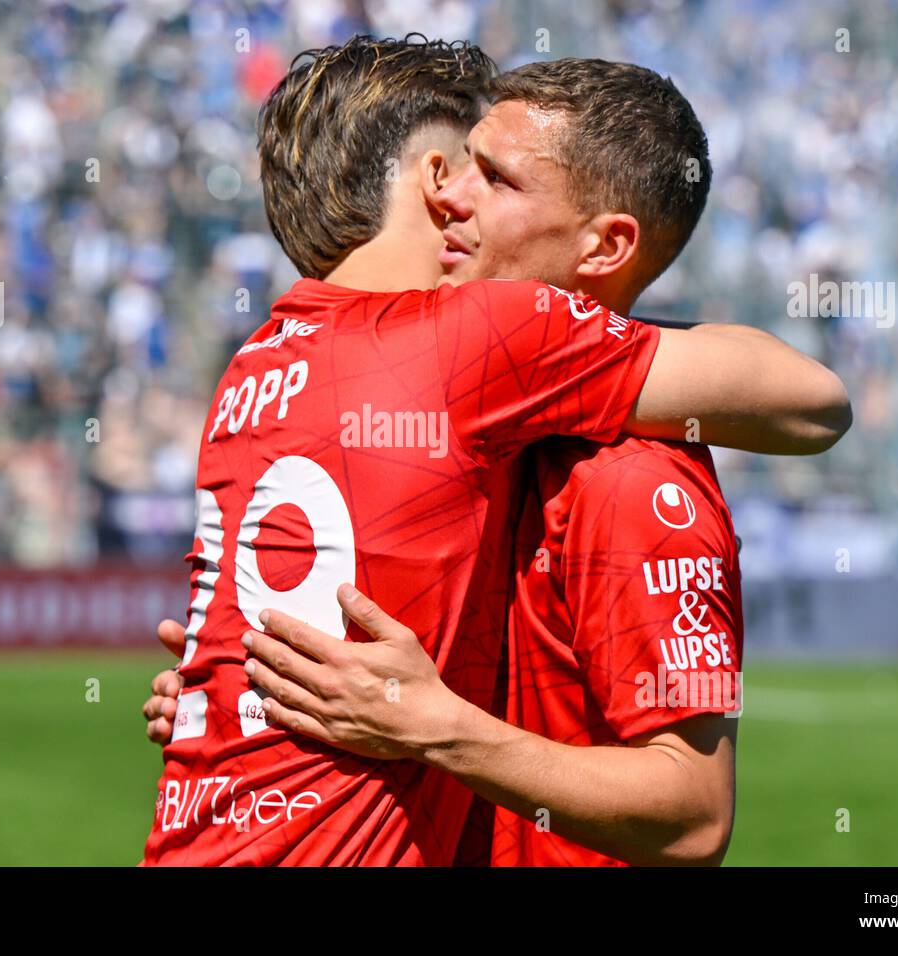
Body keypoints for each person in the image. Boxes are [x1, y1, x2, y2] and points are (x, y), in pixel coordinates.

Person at [141, 37, 849, 866]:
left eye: (495, 177)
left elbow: (693, 815)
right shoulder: (471, 367)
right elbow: (813, 403)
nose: (455, 200)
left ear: (605, 246)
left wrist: (419, 724)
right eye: (453, 168)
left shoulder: (261, 362)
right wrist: (245, 696)